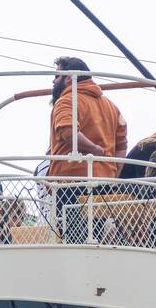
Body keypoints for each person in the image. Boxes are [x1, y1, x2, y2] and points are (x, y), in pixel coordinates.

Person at [48, 57, 127, 241]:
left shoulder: (67, 100)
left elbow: (68, 133)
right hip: (104, 184)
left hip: (72, 184)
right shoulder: (111, 107)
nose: (53, 81)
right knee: (94, 237)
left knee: (72, 239)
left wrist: (94, 150)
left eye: (56, 76)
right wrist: (114, 172)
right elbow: (122, 144)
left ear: (69, 78)